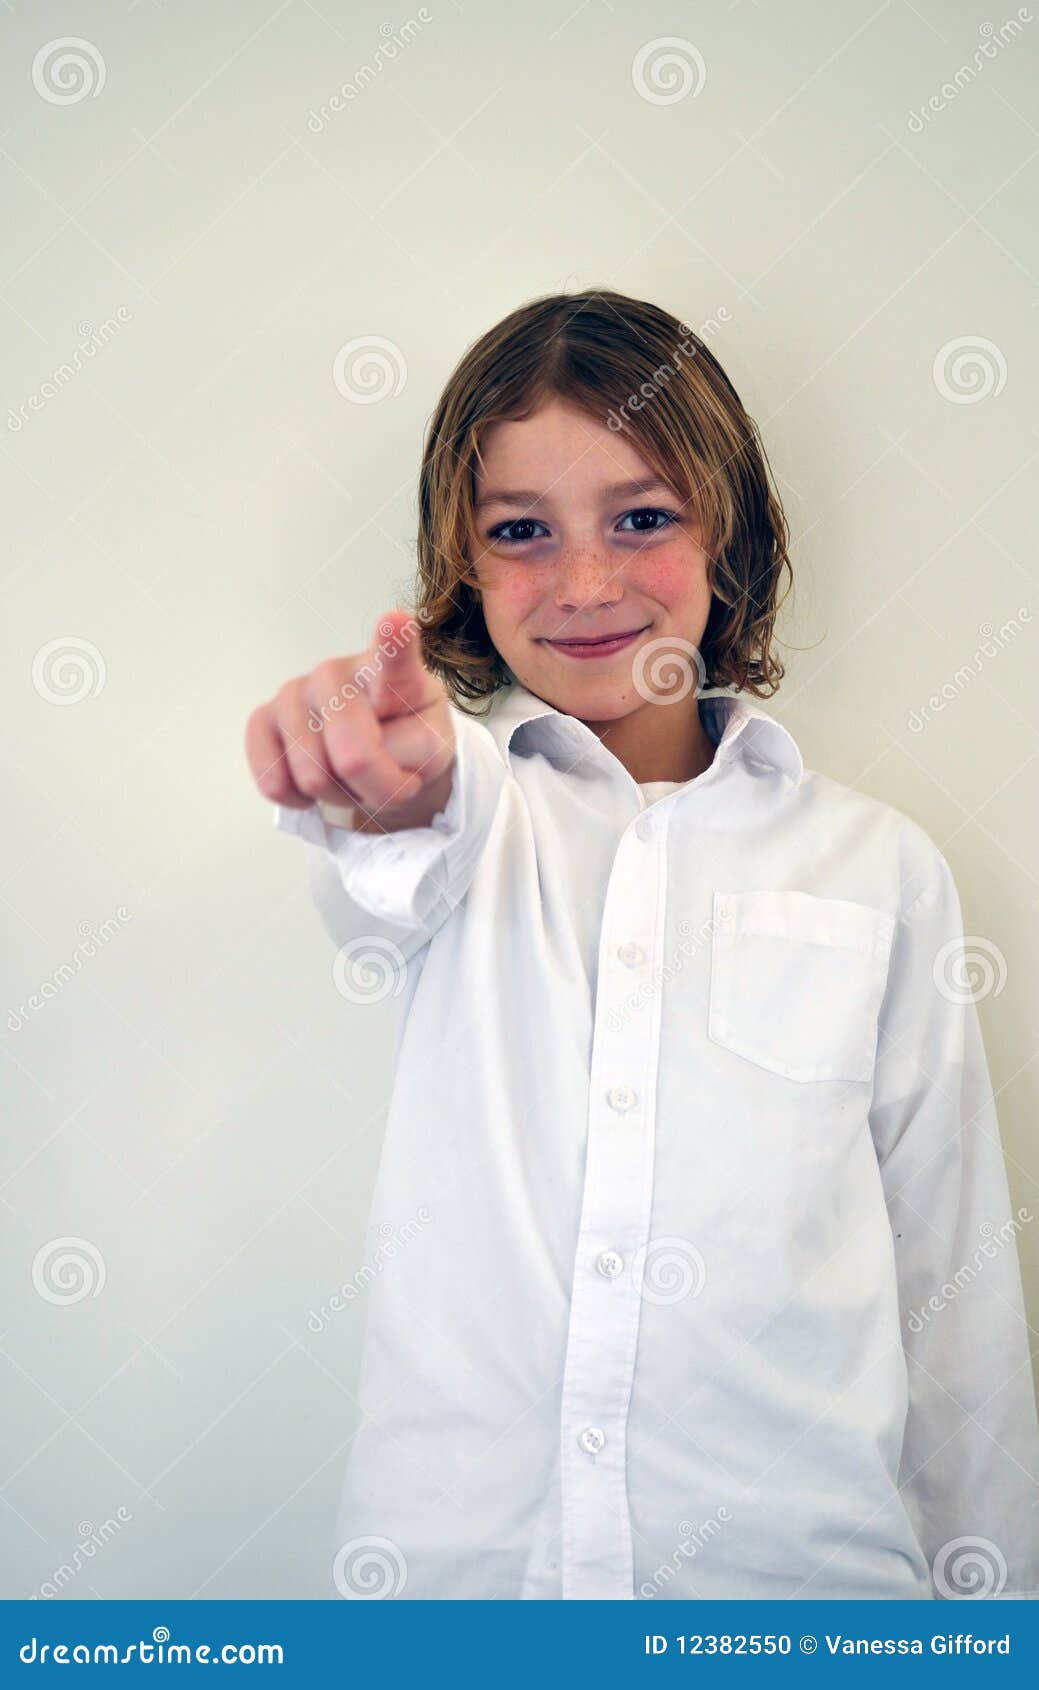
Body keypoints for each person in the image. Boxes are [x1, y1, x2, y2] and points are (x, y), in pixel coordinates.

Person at [244, 290, 1039, 1601]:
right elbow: (398, 840)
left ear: (728, 530)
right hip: (464, 1609)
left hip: (805, 1613)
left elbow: (955, 1290)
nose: (586, 583)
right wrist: (379, 780)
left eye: (642, 517)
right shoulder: (468, 816)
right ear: (462, 565)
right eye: (520, 531)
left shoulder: (878, 870)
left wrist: (993, 1622)